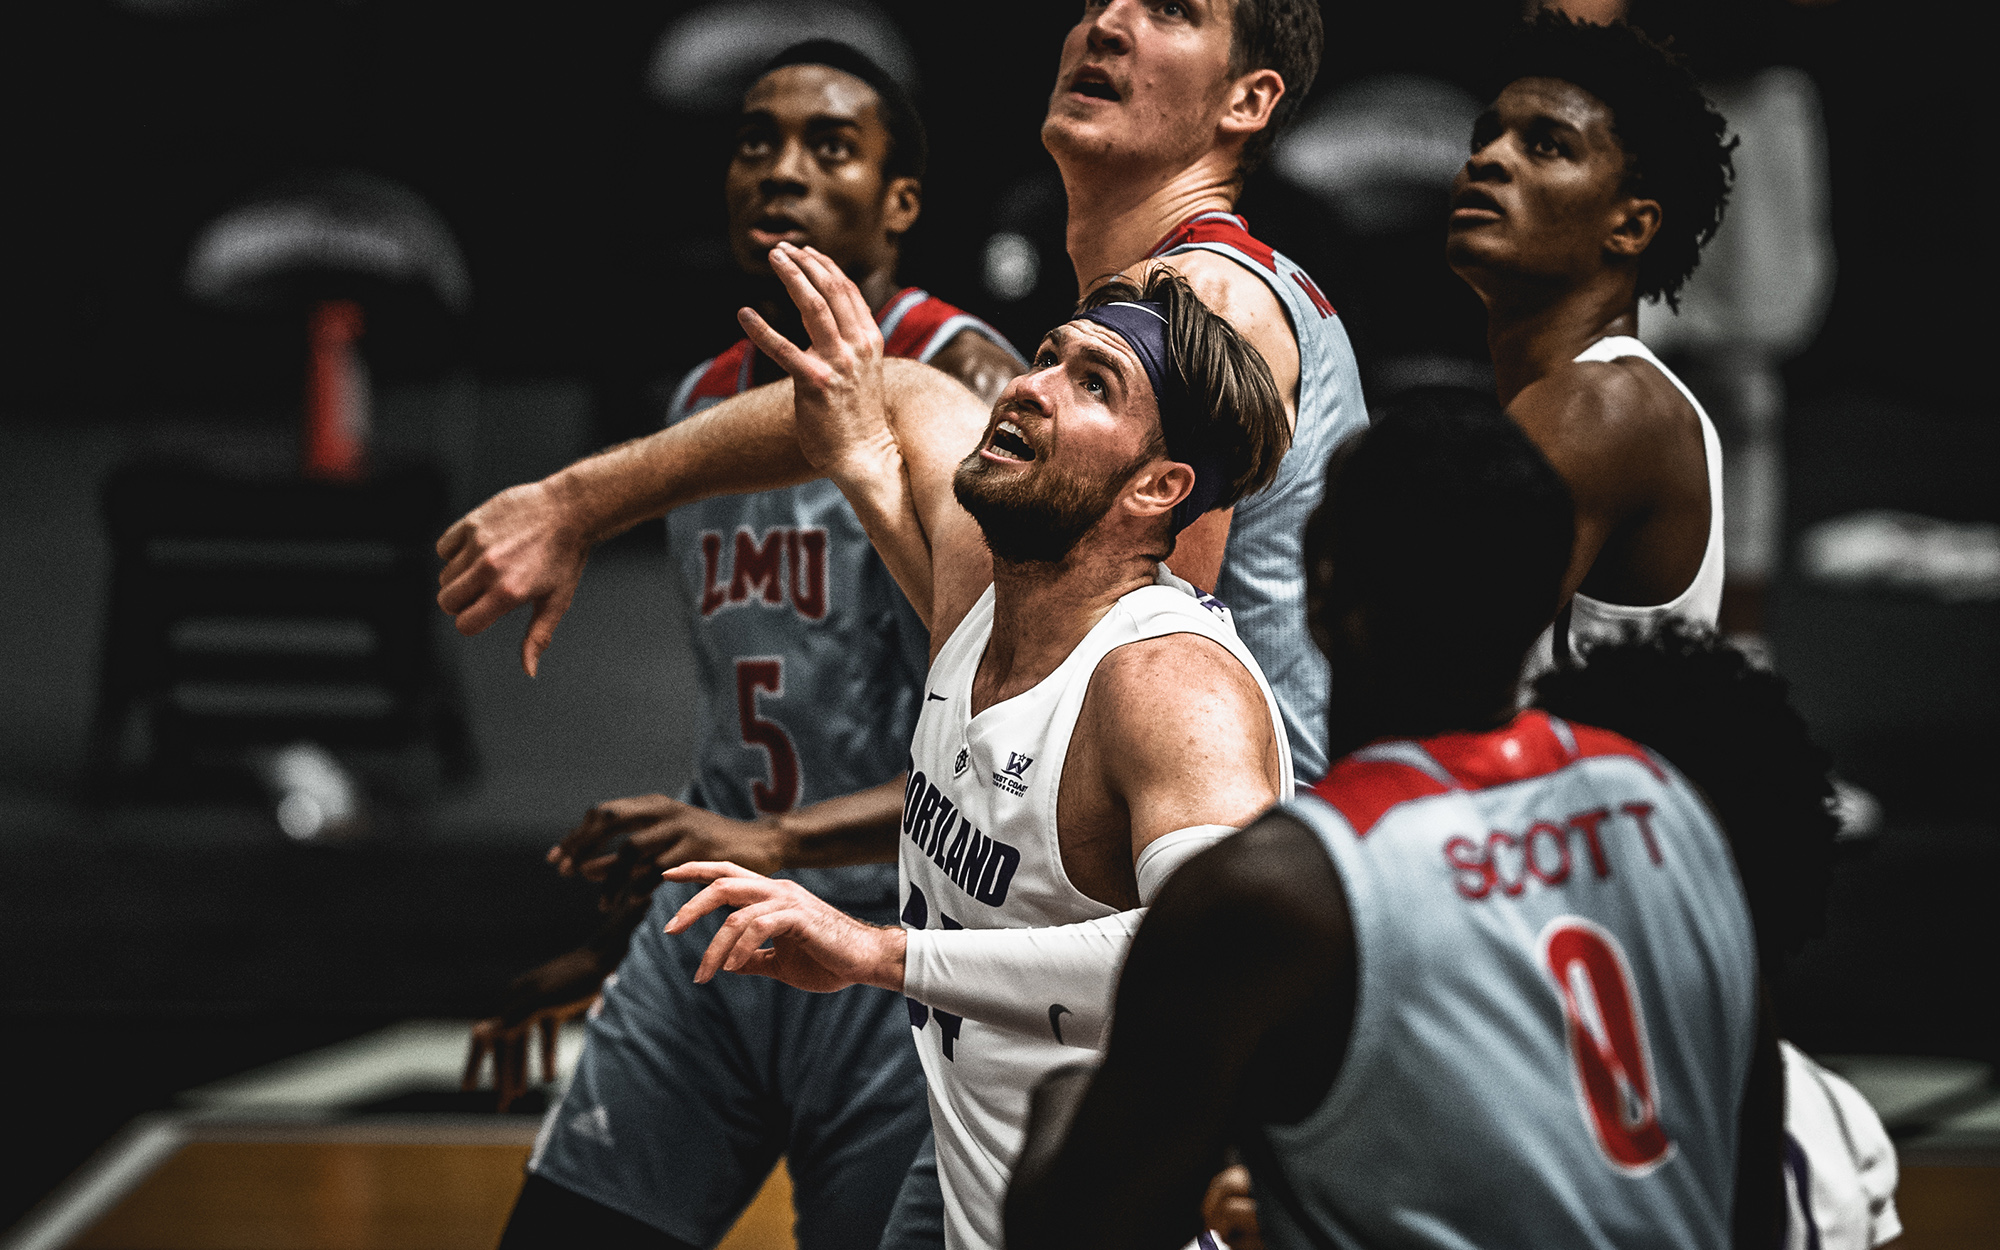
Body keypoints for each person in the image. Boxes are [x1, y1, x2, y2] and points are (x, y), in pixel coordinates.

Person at [468, 42, 1026, 1249]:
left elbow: (1022, 733)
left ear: (899, 204)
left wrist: (776, 840)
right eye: (754, 141)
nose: (781, 169)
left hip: (894, 945)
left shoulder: (967, 377)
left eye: (829, 147)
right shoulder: (694, 412)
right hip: (724, 925)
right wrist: (616, 939)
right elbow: (762, 725)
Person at [1004, 391, 1784, 1250]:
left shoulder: (1281, 892)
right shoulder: (1669, 799)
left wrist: (1064, 1100)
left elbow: (1069, 1231)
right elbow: (1751, 1173)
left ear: (1325, 590)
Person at [661, 248, 1292, 1250]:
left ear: (1156, 485)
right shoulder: (989, 593)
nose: (1031, 387)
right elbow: (906, 395)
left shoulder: (1165, 683)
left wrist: (876, 952)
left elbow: (1215, 955)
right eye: (1046, 356)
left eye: (1094, 383)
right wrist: (861, 454)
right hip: (983, 1196)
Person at [1444, 11, 1735, 678]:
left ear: (1630, 226)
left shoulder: (1599, 404)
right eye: (1486, 136)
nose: (1487, 159)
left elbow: (1433, 665)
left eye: (1545, 146)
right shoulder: (1577, 394)